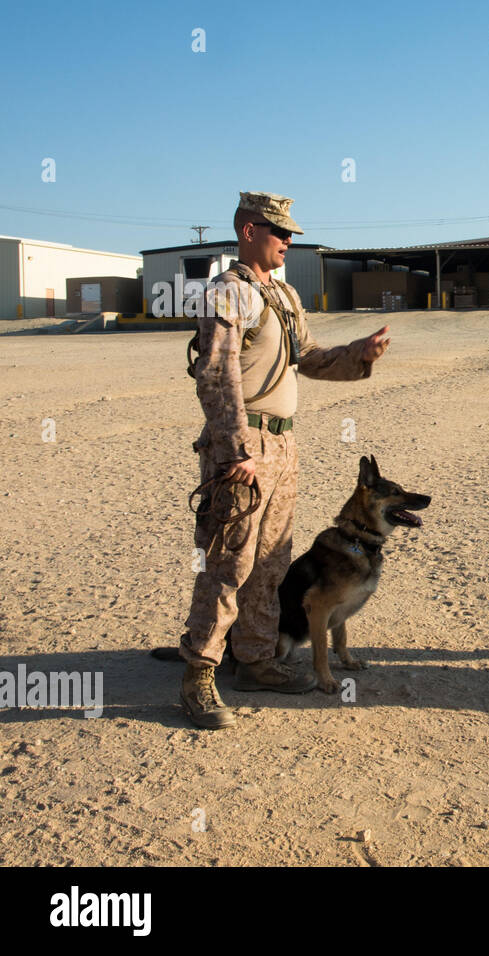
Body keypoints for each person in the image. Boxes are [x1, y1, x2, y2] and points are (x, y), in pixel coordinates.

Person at [179, 190, 391, 729]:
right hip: (244, 447)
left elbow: (311, 358)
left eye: (291, 232)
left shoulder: (282, 294)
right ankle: (198, 676)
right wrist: (234, 451)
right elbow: (216, 375)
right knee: (229, 562)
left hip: (283, 445)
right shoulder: (227, 294)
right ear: (249, 231)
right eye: (279, 232)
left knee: (272, 561)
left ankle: (255, 661)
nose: (289, 241)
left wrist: (358, 354)